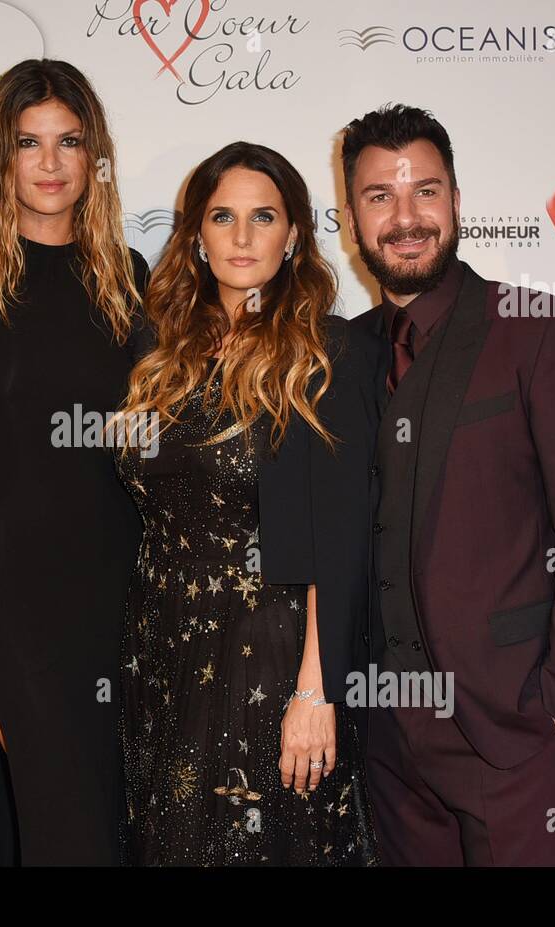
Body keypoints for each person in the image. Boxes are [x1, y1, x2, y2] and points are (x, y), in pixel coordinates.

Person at [341, 104, 555, 866]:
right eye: (380, 197)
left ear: (458, 201)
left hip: (510, 730)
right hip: (386, 746)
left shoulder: (541, 329)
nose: (406, 218)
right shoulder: (344, 353)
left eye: (425, 192)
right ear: (350, 218)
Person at [0, 59, 150, 865]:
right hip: (4, 576)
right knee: (61, 811)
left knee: (92, 814)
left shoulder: (127, 277)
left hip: (115, 584)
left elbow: (155, 430)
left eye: (69, 141)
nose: (50, 164)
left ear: (94, 155)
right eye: (28, 142)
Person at [113, 142, 381, 866]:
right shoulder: (156, 347)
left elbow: (342, 534)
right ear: (195, 236)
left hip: (269, 650)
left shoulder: (327, 352)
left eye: (263, 217)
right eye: (221, 216)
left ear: (293, 234)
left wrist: (316, 691)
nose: (240, 236)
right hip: (157, 643)